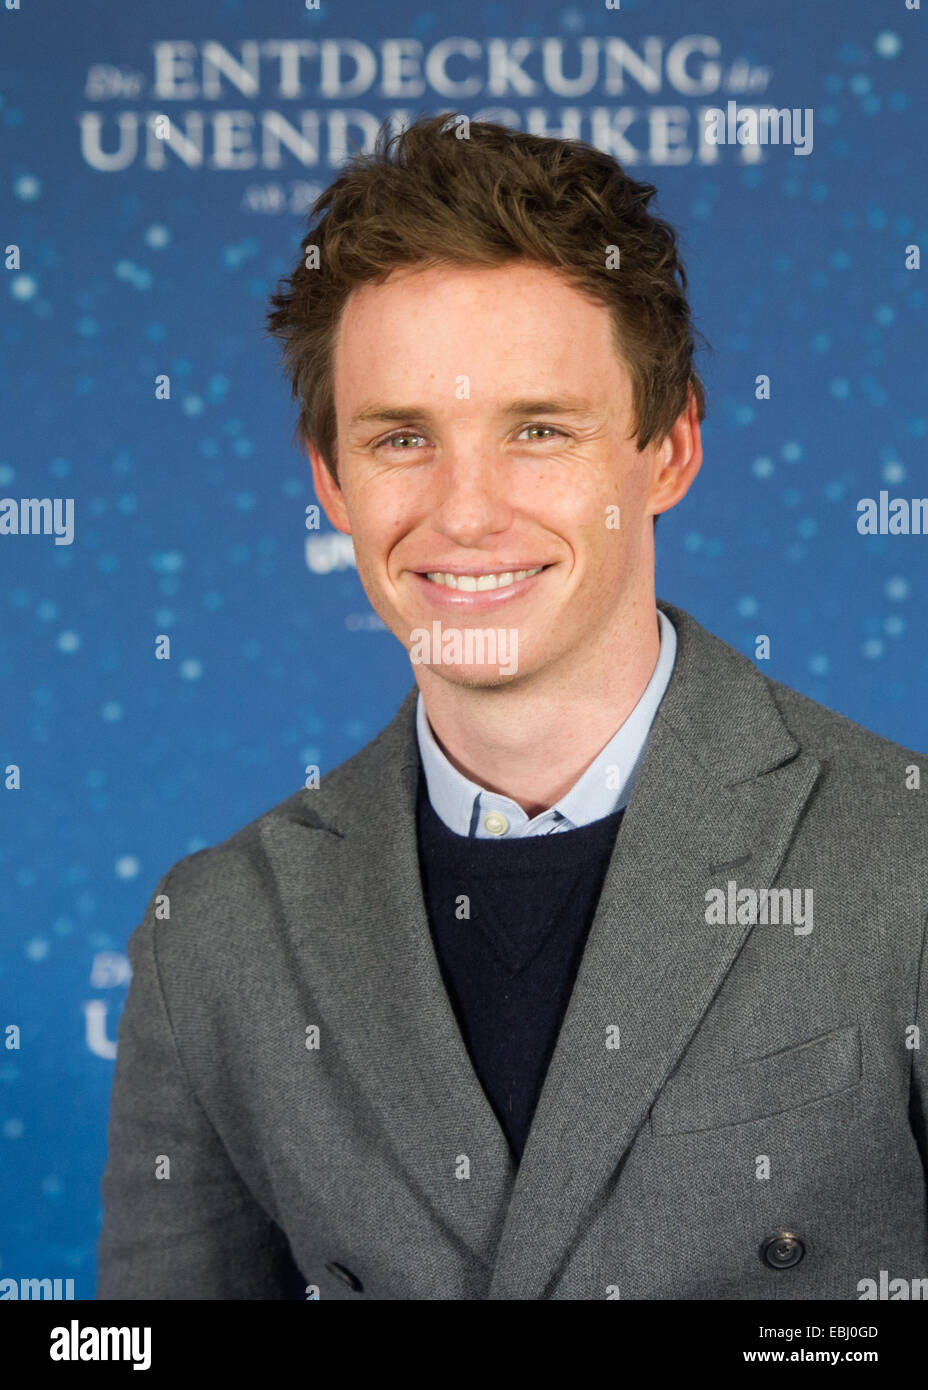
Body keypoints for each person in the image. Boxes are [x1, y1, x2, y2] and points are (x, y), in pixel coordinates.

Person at [97, 112, 928, 1301]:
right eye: (400, 438)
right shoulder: (216, 939)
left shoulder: (906, 860)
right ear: (329, 478)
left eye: (537, 430)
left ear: (670, 446)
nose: (465, 512)